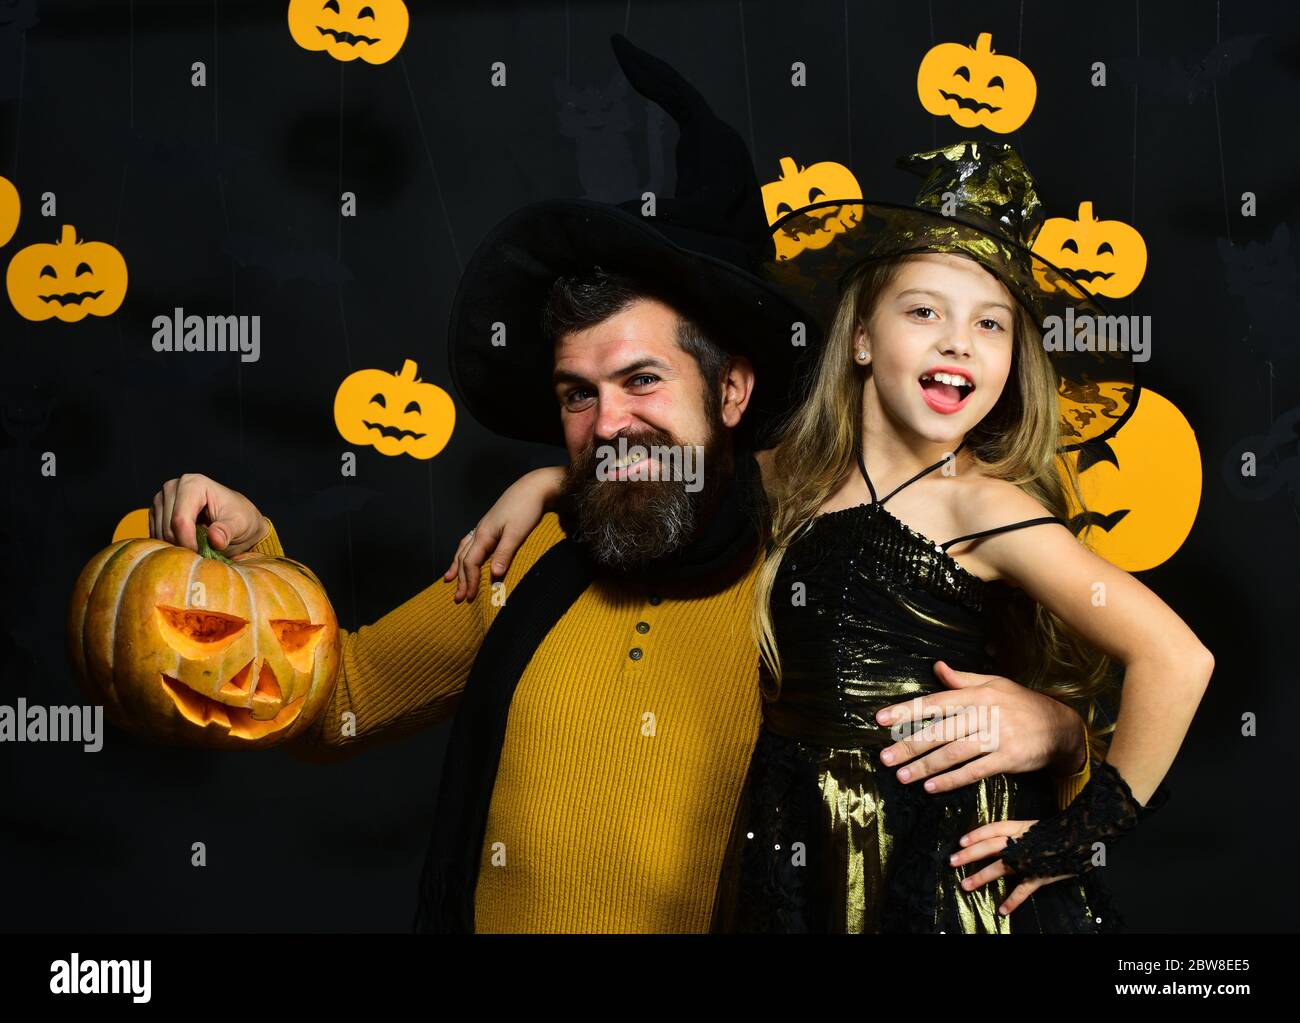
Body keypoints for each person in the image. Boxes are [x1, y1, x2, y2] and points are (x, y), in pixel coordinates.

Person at [146, 40, 1094, 933]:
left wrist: (1056, 729)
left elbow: (946, 751)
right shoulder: (522, 563)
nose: (608, 424)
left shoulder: (812, 575)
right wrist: (246, 566)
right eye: (577, 395)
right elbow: (338, 696)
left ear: (731, 390)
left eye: (642, 381)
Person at [453, 142, 1213, 933]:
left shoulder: (982, 506)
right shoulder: (797, 478)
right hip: (807, 832)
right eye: (924, 312)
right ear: (861, 339)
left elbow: (1178, 657)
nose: (958, 341)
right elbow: (673, 473)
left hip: (932, 856)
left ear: (1010, 359)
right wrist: (545, 483)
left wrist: (1076, 836)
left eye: (990, 324)